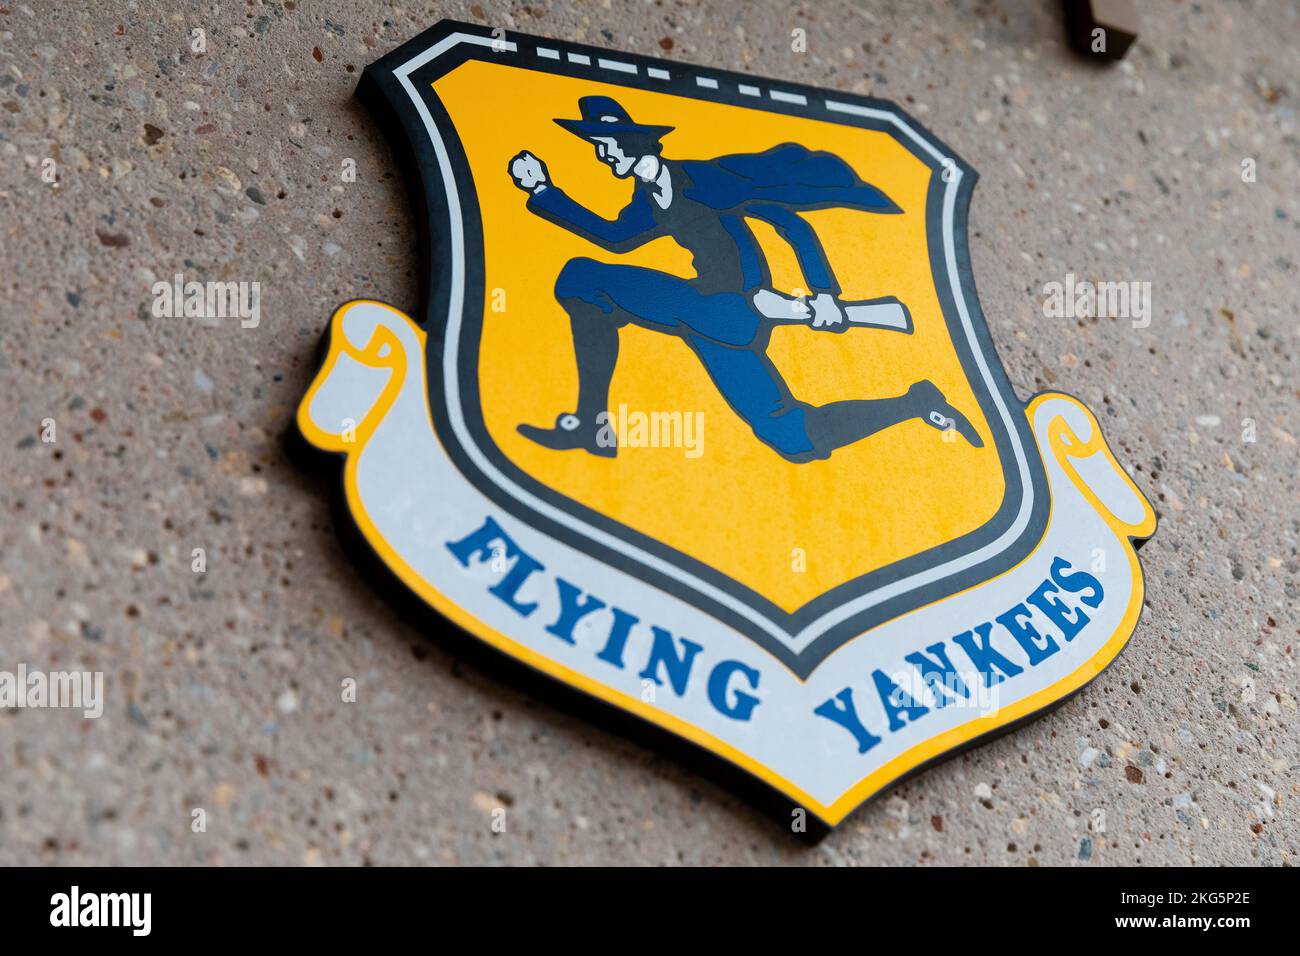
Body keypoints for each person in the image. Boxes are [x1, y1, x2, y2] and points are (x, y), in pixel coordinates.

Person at [508, 95, 982, 462]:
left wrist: (824, 294)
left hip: (737, 305)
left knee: (580, 278)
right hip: (712, 316)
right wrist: (545, 191)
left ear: (637, 139)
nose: (604, 155)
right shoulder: (646, 199)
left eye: (607, 144)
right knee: (788, 433)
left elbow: (790, 222)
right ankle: (915, 404)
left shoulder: (705, 180)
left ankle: (592, 422)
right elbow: (613, 237)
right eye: (596, 148)